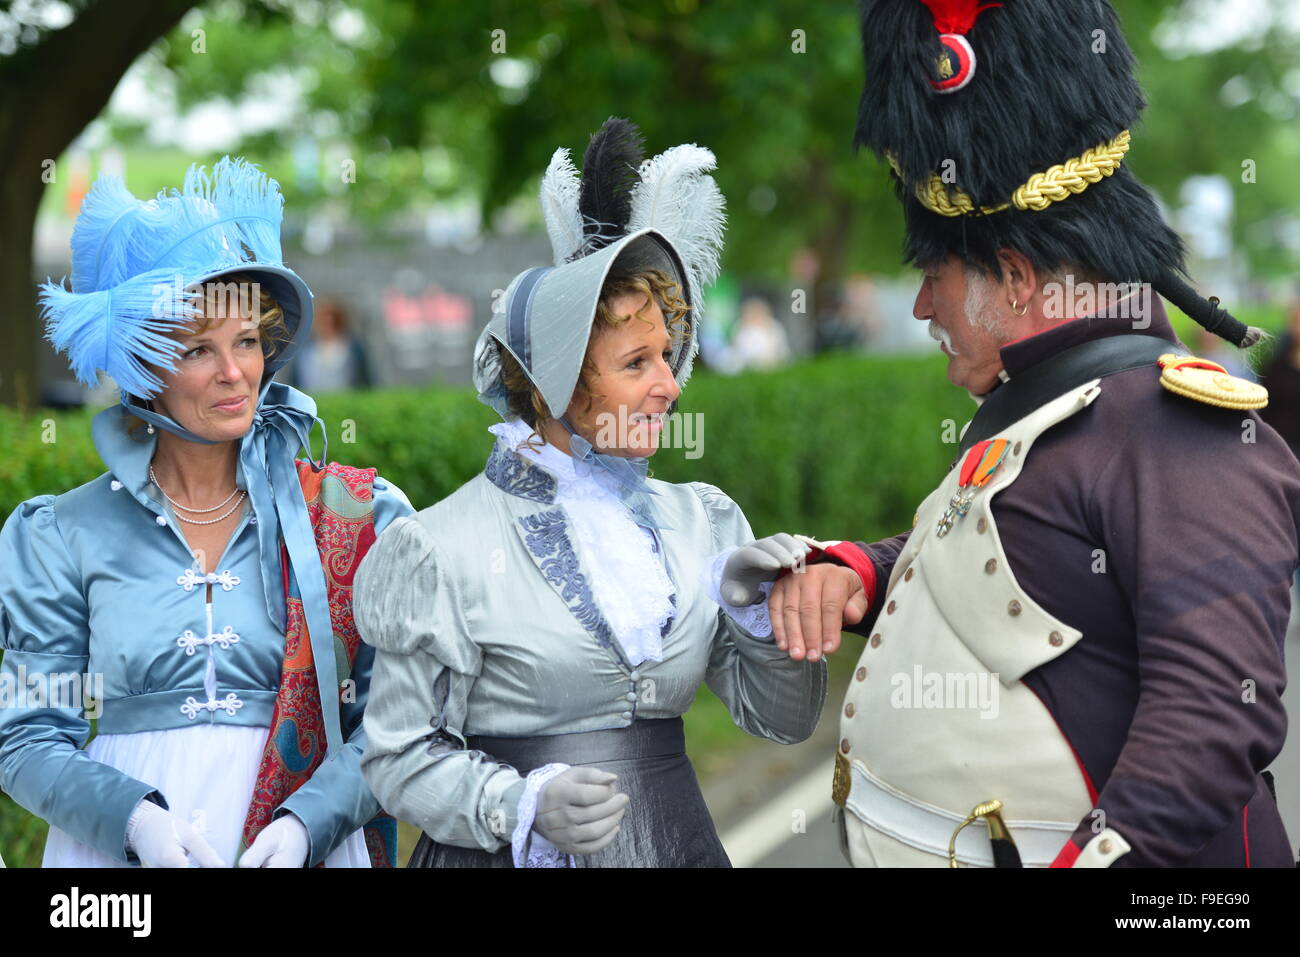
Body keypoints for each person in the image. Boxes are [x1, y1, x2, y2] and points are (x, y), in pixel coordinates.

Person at [722, 0, 1300, 868]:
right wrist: (864, 571)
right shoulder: (1062, 403)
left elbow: (1215, 713)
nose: (921, 305)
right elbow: (1025, 565)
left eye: (935, 275)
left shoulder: (1184, 430)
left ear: (1019, 280)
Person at [353, 118, 826, 868]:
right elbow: (395, 757)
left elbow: (785, 722)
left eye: (667, 358)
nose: (671, 386)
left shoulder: (701, 520)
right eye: (637, 362)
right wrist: (521, 805)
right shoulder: (439, 547)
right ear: (556, 380)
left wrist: (759, 618)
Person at [0, 157, 412, 868]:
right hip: (115, 858)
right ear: (143, 369)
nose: (235, 372)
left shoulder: (354, 515)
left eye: (248, 340)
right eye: (199, 349)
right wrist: (133, 821)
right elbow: (27, 739)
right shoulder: (60, 535)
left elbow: (402, 718)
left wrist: (307, 824)